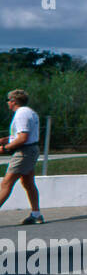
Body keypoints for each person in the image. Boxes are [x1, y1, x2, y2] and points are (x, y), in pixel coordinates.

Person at [0, 89, 43, 224]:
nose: (7, 103)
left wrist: (5, 148)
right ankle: (36, 215)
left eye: (8, 101)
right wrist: (7, 139)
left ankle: (36, 215)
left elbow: (23, 138)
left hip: (24, 152)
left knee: (6, 183)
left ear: (13, 102)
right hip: (31, 150)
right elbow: (22, 135)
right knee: (28, 183)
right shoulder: (29, 112)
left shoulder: (21, 114)